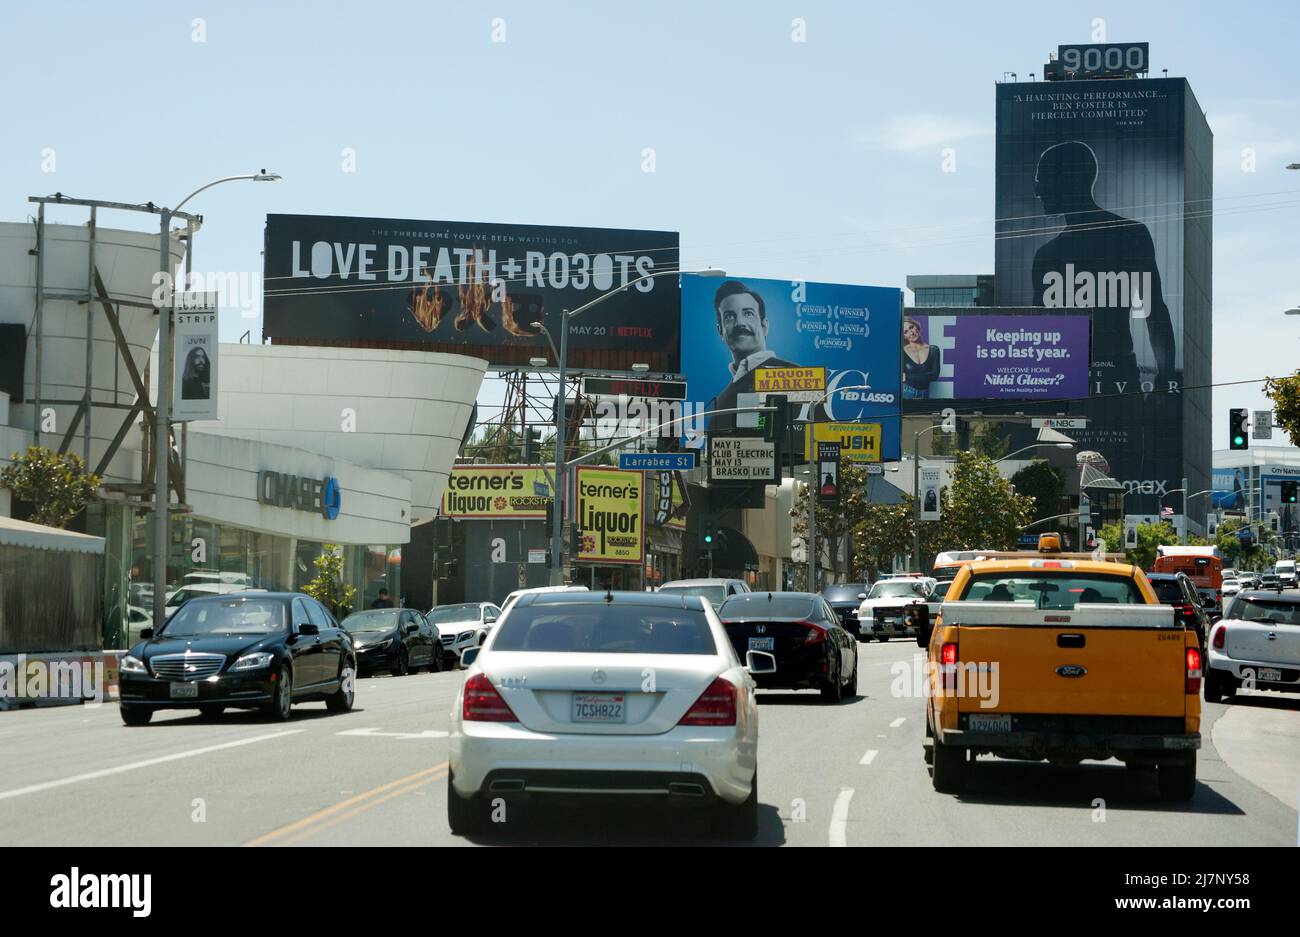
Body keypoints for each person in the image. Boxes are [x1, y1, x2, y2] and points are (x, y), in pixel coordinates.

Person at [705, 280, 803, 432]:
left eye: (748, 314)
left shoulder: (793, 375)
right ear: (720, 331)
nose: (740, 323)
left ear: (765, 326)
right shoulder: (720, 401)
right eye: (730, 316)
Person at [901, 318, 941, 399]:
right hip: (906, 392)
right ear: (904, 336)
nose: (911, 333)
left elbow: (934, 375)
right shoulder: (901, 351)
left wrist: (907, 377)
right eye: (906, 332)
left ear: (916, 326)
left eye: (911, 327)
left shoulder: (934, 350)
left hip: (925, 393)